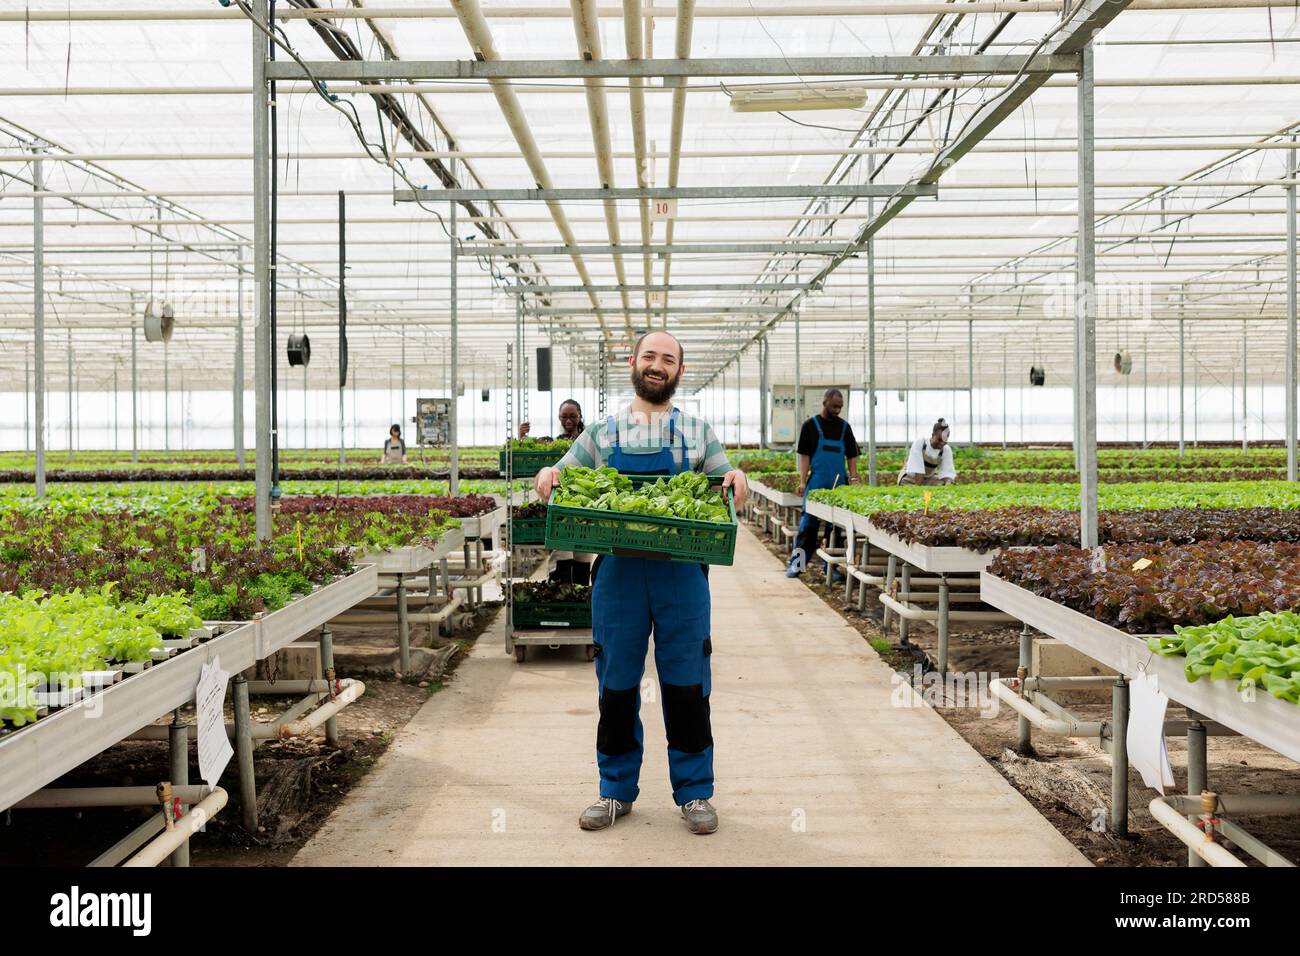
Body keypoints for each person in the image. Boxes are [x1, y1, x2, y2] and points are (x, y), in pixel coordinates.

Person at [535, 330, 748, 836]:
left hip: (682, 575)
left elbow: (728, 483)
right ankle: (614, 792)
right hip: (619, 576)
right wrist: (547, 471)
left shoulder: (697, 432)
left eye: (668, 359)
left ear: (678, 371)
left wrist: (737, 479)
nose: (658, 365)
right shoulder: (602, 434)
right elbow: (559, 476)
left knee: (687, 684)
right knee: (617, 684)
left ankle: (695, 793)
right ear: (633, 363)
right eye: (649, 356)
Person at [786, 388, 859, 578]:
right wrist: (802, 481)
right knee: (807, 526)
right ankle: (797, 564)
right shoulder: (810, 426)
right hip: (817, 483)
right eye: (834, 406)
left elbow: (852, 455)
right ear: (825, 402)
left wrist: (853, 477)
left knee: (834, 529)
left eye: (840, 407)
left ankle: (829, 567)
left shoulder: (845, 427)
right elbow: (805, 456)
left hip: (838, 486)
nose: (837, 410)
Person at [899, 418, 956, 485]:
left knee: (941, 484)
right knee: (905, 484)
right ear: (932, 435)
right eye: (940, 440)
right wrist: (917, 491)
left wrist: (947, 482)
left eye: (945, 440)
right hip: (911, 477)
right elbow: (918, 470)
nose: (942, 443)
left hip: (929, 479)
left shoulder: (946, 450)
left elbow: (947, 472)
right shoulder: (921, 443)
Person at [518, 399, 585, 441]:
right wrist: (522, 435)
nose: (568, 421)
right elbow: (533, 444)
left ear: (580, 417)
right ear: (559, 417)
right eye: (564, 417)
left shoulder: (586, 441)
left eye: (573, 416)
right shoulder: (553, 441)